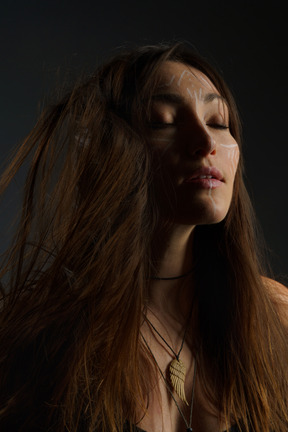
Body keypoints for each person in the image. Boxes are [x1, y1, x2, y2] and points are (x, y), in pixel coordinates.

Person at [0, 43, 287, 432]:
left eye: (218, 121)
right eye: (163, 121)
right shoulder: (50, 342)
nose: (206, 143)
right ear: (111, 153)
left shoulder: (275, 319)